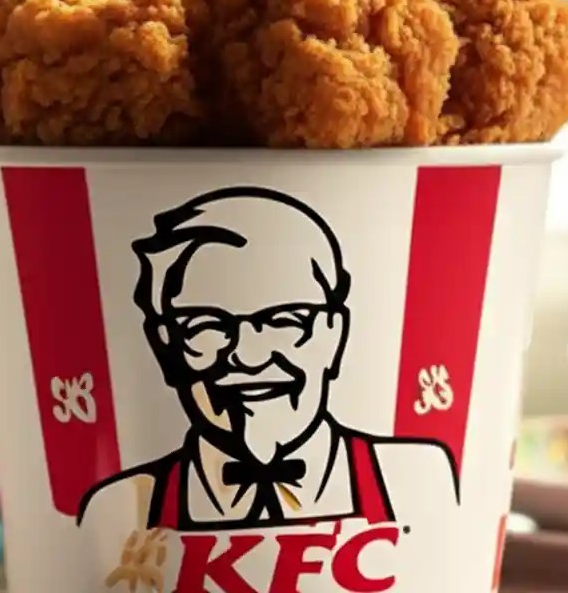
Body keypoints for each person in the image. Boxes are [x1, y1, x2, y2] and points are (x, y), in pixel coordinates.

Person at [78, 187, 458, 531]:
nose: (249, 355)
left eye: (284, 320)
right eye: (206, 326)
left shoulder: (416, 478)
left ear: (334, 334)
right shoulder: (117, 507)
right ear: (166, 347)